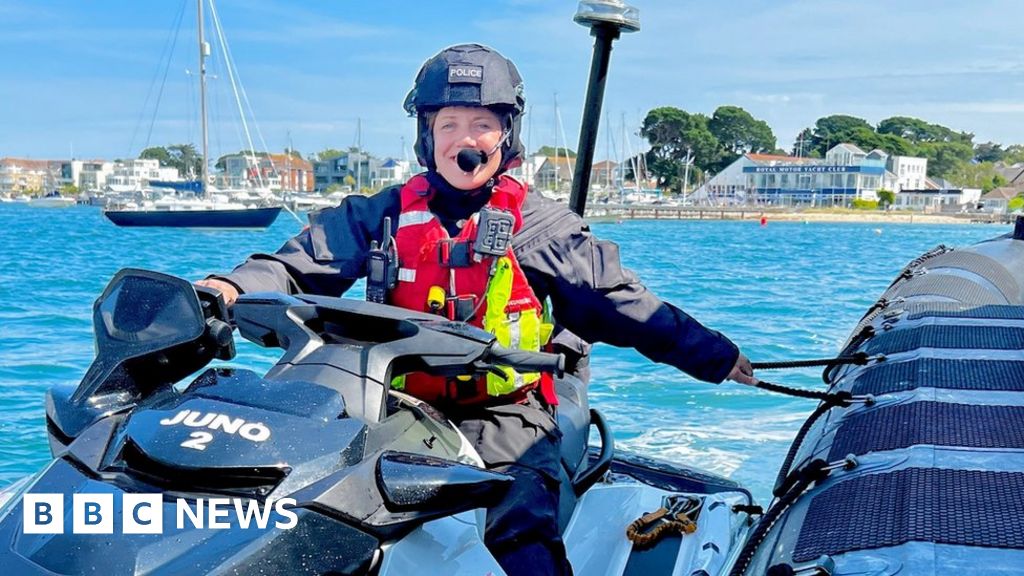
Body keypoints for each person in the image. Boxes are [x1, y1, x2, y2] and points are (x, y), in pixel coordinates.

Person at [197, 43, 755, 576]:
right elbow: (293, 265)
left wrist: (714, 356)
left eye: (481, 124)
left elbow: (625, 304)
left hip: (504, 411)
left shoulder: (541, 228)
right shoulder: (379, 215)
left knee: (518, 527)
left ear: (505, 134)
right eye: (449, 125)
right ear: (428, 135)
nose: (465, 139)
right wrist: (225, 288)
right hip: (391, 400)